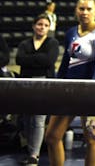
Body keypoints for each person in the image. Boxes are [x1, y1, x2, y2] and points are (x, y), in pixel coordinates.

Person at [45, 0, 95, 166]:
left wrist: (93, 98)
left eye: (89, 9)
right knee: (52, 137)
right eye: (81, 9)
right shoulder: (71, 32)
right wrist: (57, 89)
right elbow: (65, 64)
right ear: (76, 10)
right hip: (69, 90)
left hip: (90, 91)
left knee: (92, 140)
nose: (85, 12)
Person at [15, 14, 59, 166]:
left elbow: (49, 60)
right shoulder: (25, 43)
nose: (42, 27)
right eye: (39, 24)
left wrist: (31, 60)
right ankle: (30, 150)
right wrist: (39, 59)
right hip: (26, 83)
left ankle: (34, 155)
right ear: (34, 26)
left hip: (44, 83)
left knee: (38, 119)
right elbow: (19, 60)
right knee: (27, 118)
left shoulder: (52, 43)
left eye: (46, 25)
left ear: (49, 28)